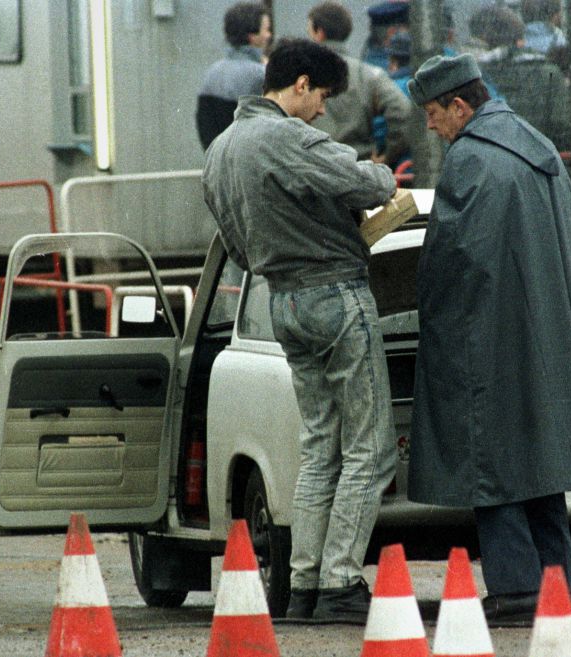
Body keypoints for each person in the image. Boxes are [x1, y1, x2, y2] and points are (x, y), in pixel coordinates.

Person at [201, 37, 398, 624]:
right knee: (369, 449)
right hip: (336, 296)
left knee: (319, 447)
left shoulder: (220, 150)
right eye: (323, 97)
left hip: (281, 302)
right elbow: (370, 186)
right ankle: (342, 581)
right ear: (302, 83)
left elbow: (238, 249)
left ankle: (304, 584)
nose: (323, 111)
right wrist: (382, 175)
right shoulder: (285, 135)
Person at [405, 53, 571, 622]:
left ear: (460, 106)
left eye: (433, 113)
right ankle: (555, 588)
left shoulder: (470, 158)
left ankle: (515, 588)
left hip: (487, 338)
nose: (430, 126)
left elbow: (448, 262)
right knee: (540, 466)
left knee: (490, 461)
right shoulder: (537, 147)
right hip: (546, 335)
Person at [307, 1, 413, 168]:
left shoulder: (299, 75)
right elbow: (403, 112)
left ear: (319, 33)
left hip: (313, 167)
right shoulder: (368, 74)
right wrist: (387, 156)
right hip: (359, 166)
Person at [472, 5, 570, 150]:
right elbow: (562, 126)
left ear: (481, 38)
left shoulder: (472, 77)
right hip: (536, 158)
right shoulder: (548, 73)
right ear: (520, 39)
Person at [195, 2, 272, 150]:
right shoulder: (262, 74)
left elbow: (204, 125)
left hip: (217, 155)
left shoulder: (213, 72)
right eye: (266, 30)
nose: (269, 35)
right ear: (252, 36)